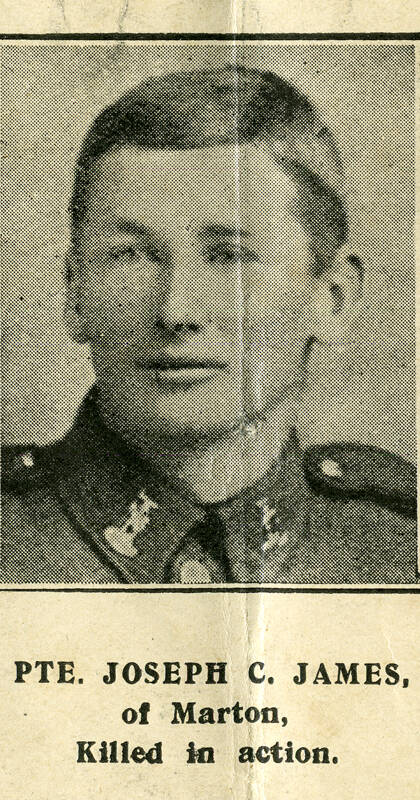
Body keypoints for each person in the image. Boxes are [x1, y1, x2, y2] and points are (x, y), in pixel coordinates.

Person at [1, 65, 417, 584]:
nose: (178, 312)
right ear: (74, 294)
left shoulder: (397, 548)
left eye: (229, 257)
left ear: (330, 298)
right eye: (131, 256)